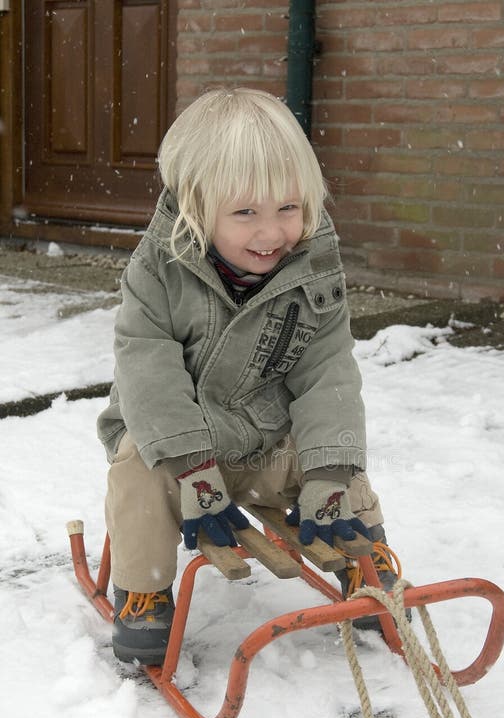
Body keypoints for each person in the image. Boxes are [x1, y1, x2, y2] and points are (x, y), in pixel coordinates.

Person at [97, 87, 396, 666]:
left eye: (288, 208)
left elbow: (328, 374)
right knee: (136, 463)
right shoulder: (156, 272)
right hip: (178, 445)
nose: (271, 234)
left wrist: (329, 472)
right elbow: (146, 370)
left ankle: (366, 554)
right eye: (244, 213)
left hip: (265, 446)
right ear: (194, 207)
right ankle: (143, 587)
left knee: (334, 459)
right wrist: (191, 464)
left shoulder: (314, 273)